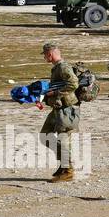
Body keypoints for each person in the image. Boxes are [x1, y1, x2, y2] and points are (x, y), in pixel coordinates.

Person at [39, 42, 84, 182]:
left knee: (63, 140)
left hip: (67, 109)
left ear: (50, 54)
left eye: (45, 55)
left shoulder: (63, 67)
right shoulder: (57, 67)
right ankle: (64, 165)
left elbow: (73, 83)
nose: (44, 58)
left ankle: (68, 170)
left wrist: (56, 92)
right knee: (45, 135)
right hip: (58, 108)